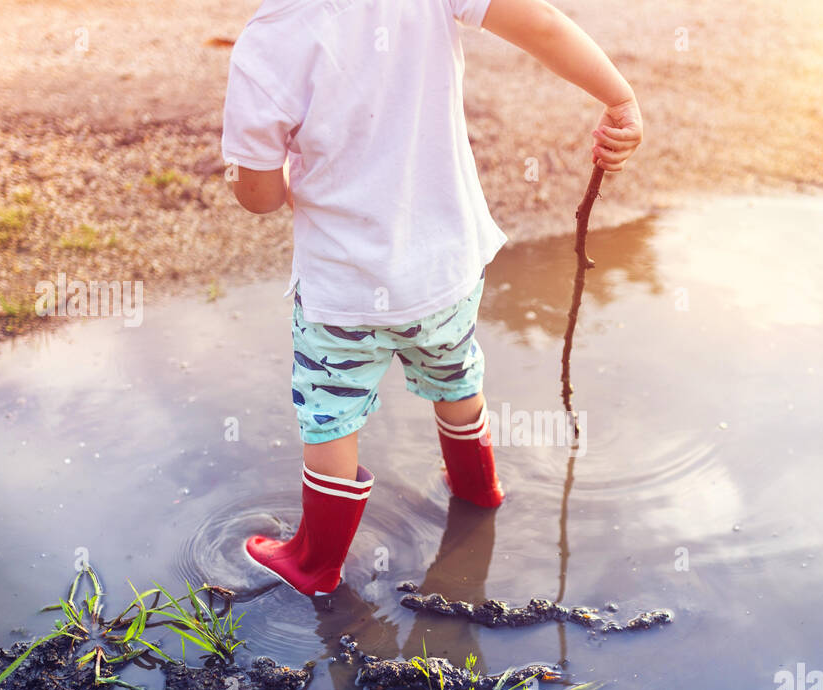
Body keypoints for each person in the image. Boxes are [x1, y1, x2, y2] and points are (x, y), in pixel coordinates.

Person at [221, 0, 642, 596]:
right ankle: (478, 487)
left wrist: (281, 182)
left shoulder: (268, 40)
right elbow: (540, 23)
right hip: (445, 268)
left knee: (331, 412)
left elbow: (259, 194)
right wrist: (620, 99)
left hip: (343, 291)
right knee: (454, 373)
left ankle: (315, 562)